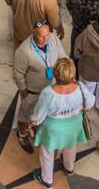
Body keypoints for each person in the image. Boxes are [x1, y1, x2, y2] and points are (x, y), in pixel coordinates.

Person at [30, 56, 93, 188]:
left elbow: (38, 116)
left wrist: (33, 122)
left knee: (47, 152)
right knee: (70, 146)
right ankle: (69, 168)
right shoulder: (80, 87)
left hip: (53, 128)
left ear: (55, 74)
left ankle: (47, 179)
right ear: (72, 73)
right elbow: (90, 103)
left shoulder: (48, 93)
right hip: (74, 124)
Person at [13, 19, 66, 153]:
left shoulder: (53, 39)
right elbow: (18, 74)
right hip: (32, 92)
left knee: (45, 114)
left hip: (50, 89)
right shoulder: (23, 51)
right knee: (25, 115)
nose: (45, 39)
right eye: (41, 36)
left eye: (47, 34)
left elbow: (62, 56)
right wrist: (24, 91)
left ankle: (37, 129)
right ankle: (22, 134)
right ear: (33, 34)